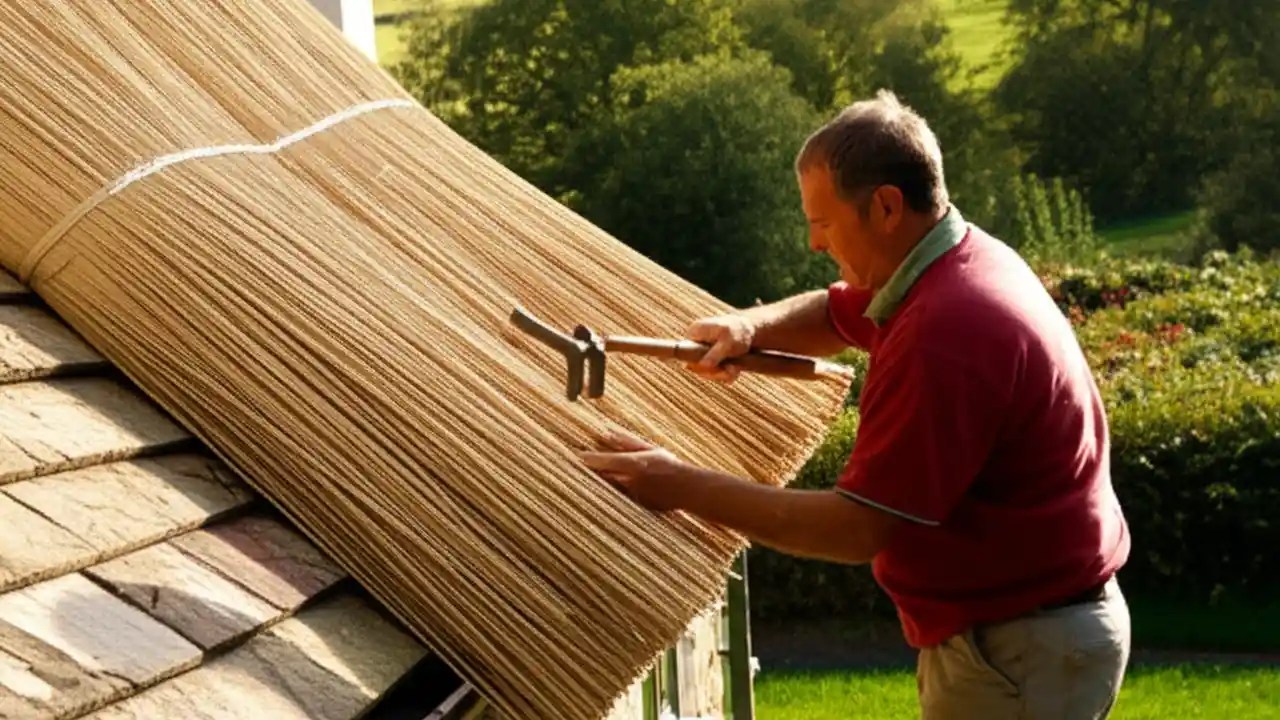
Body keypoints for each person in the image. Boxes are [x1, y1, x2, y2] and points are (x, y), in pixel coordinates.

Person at [580, 89, 1132, 719]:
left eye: (822, 223)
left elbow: (854, 528)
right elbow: (836, 310)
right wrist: (752, 327)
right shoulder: (953, 262)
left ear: (887, 207)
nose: (816, 244)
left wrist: (675, 484)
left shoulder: (945, 329)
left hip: (1021, 650)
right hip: (1033, 635)